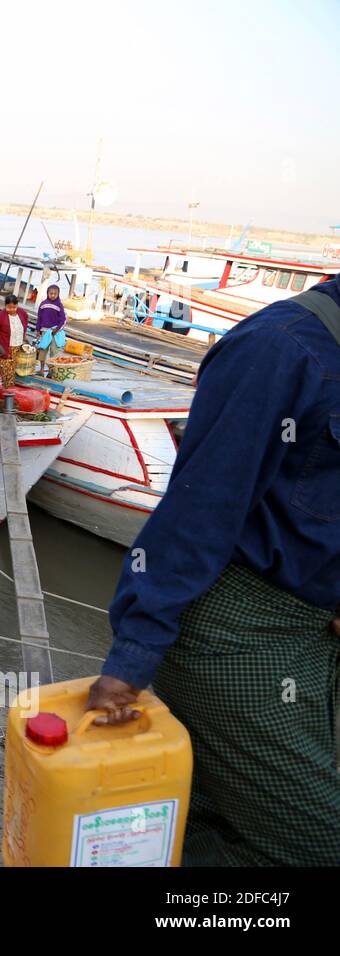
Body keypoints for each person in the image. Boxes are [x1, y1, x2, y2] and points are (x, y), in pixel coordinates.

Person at [86, 276, 340, 866]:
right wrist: (132, 659)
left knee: (211, 814)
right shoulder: (280, 348)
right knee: (320, 845)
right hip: (237, 629)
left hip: (313, 638)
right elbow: (201, 509)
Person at [0, 294, 28, 386]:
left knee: (13, 369)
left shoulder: (22, 313)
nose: (12, 310)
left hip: (17, 347)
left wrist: (24, 336)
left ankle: (9, 390)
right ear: (5, 306)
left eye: (14, 307)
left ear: (17, 305)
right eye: (9, 307)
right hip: (5, 348)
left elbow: (25, 324)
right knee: (4, 370)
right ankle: (0, 389)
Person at [34, 283, 68, 375]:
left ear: (58, 294)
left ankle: (51, 371)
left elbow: (63, 319)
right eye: (51, 293)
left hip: (54, 332)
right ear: (47, 293)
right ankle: (41, 370)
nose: (52, 295)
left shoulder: (59, 305)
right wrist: (38, 330)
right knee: (42, 351)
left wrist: (56, 330)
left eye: (55, 294)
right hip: (44, 331)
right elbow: (39, 317)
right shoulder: (43, 304)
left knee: (54, 352)